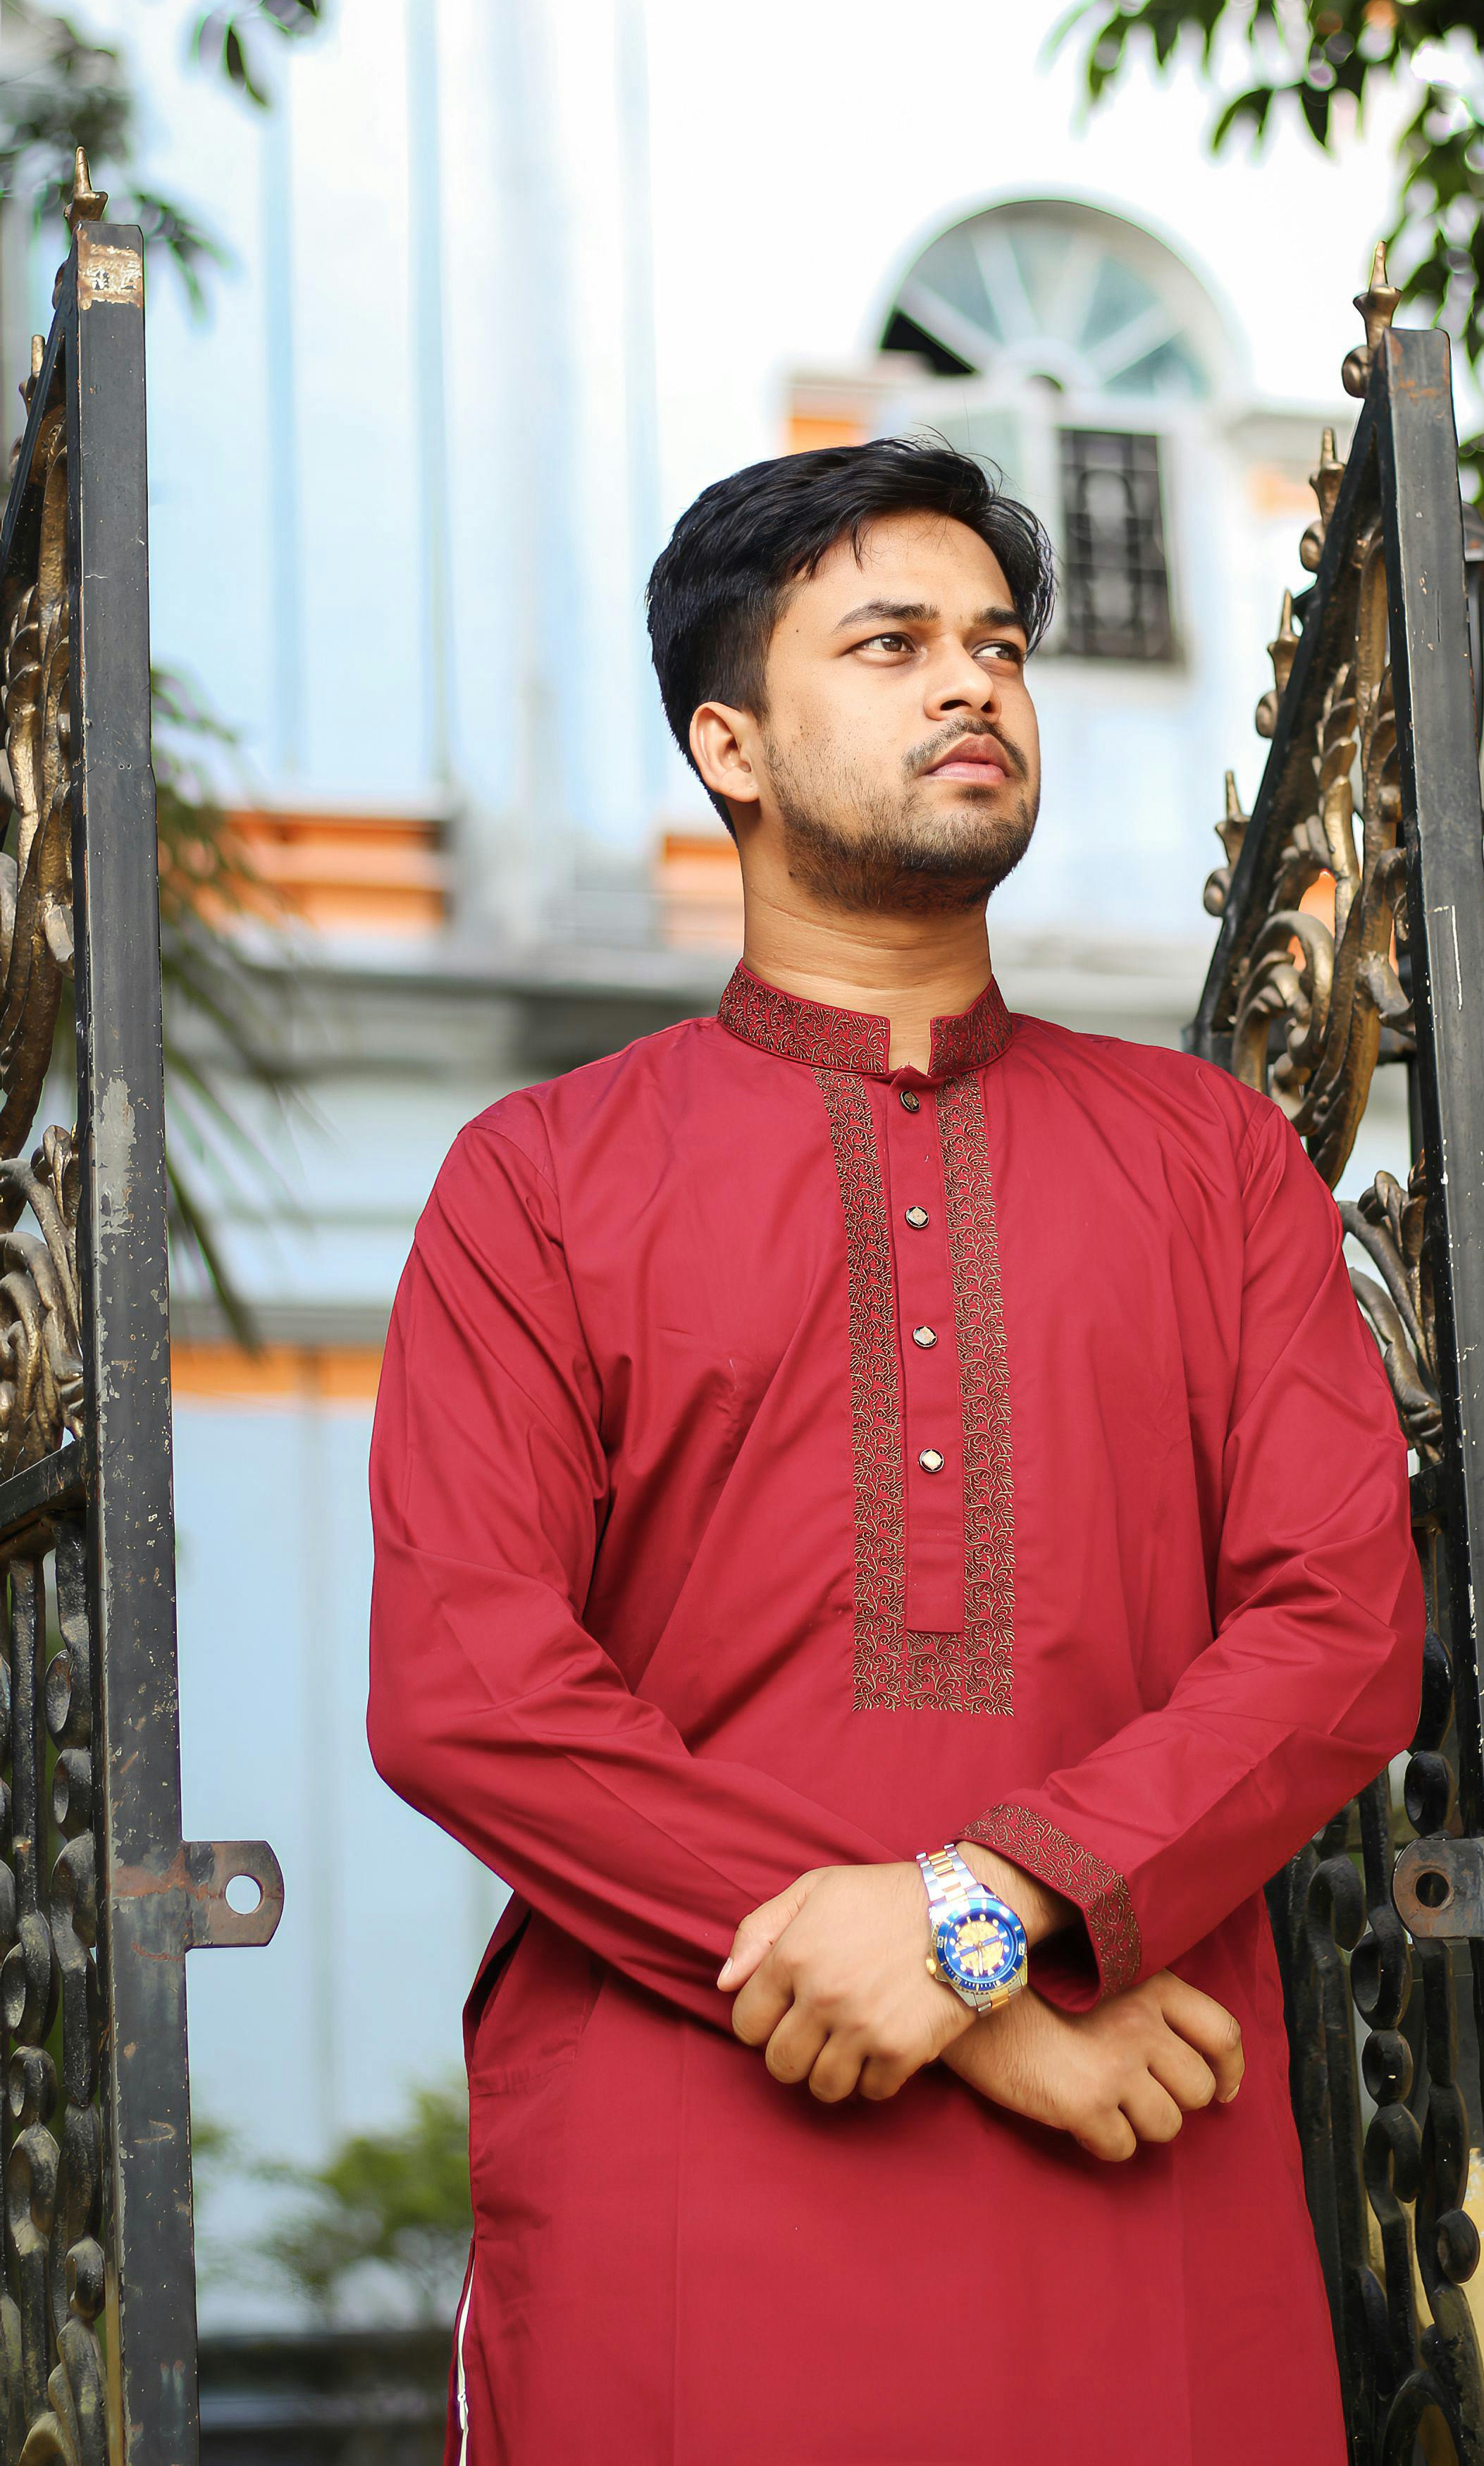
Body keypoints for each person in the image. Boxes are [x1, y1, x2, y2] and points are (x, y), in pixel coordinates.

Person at [368, 439, 1424, 2466]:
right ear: (729, 745)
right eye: (891, 642)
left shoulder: (1205, 1156)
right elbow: (469, 1692)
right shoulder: (544, 1180)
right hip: (701, 2135)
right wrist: (996, 2000)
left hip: (1143, 2140)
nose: (973, 686)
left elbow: (1341, 1626)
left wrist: (973, 1906)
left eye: (1000, 646)